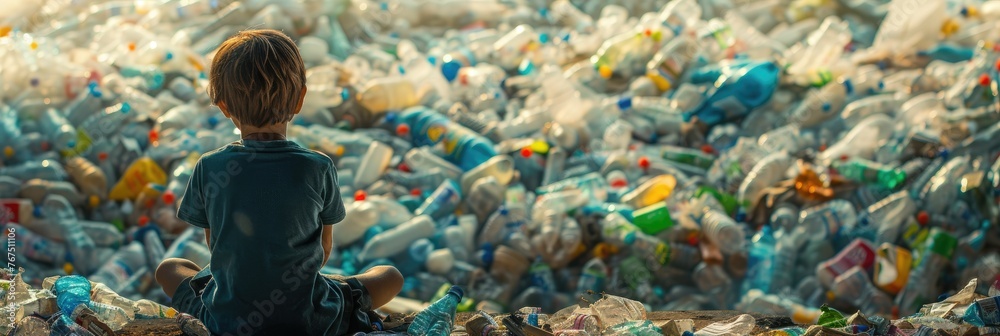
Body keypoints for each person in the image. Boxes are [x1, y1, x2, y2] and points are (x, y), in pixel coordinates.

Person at [154, 29, 403, 336]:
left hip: (226, 320)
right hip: (313, 319)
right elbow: (323, 251)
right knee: (389, 276)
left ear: (223, 107)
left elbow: (215, 246)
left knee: (169, 268)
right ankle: (336, 292)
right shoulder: (318, 166)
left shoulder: (209, 167)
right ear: (300, 100)